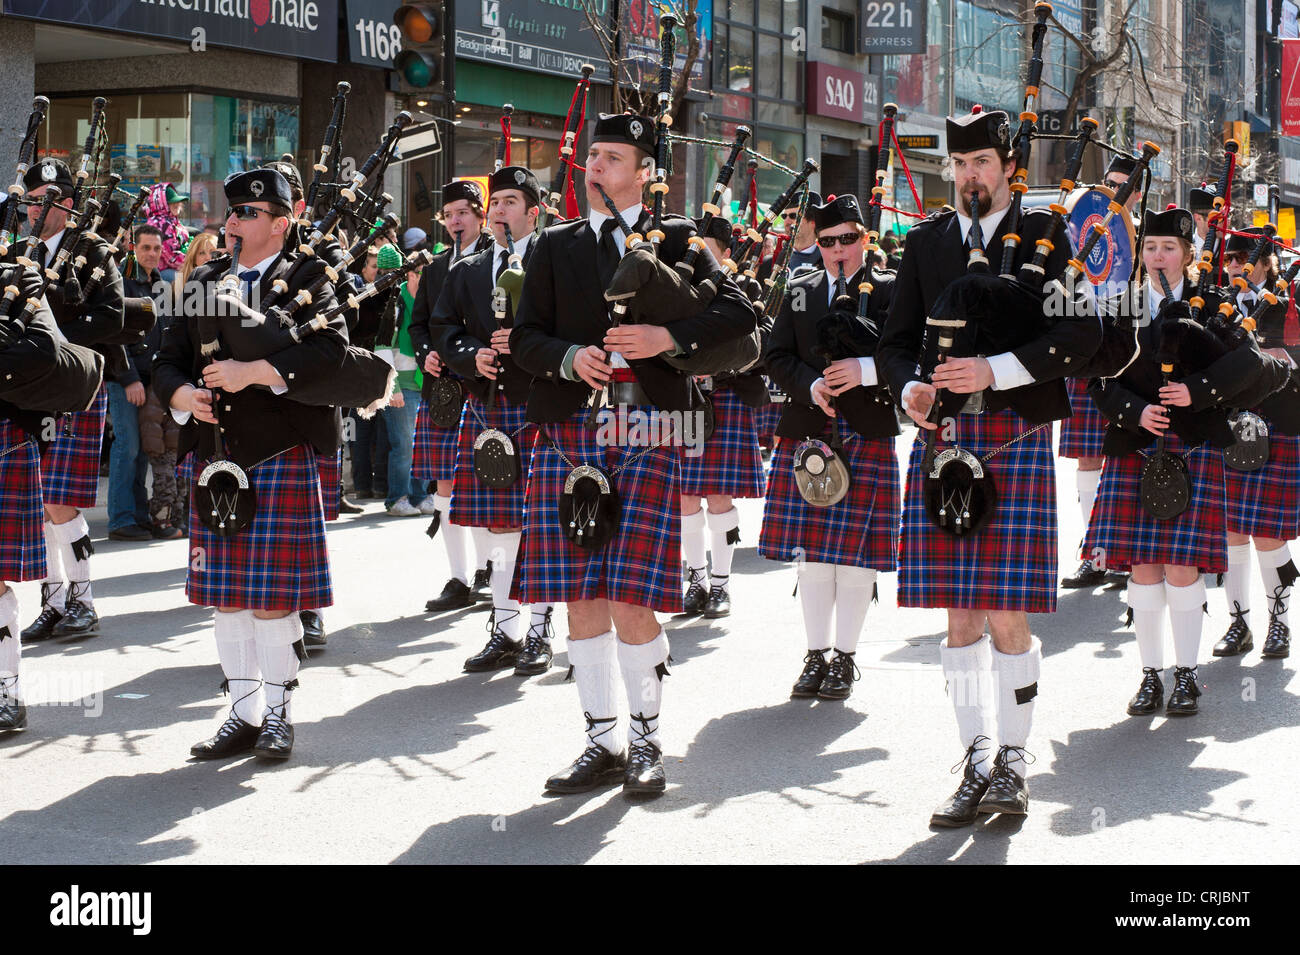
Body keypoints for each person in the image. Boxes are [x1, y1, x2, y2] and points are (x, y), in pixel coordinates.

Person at [511, 113, 757, 795]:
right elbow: (525, 337)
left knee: (628, 593)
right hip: (572, 431)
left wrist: (665, 341)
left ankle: (647, 739)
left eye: (613, 158)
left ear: (646, 171)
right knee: (579, 594)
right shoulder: (555, 246)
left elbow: (742, 323)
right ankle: (602, 741)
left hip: (645, 424)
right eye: (592, 156)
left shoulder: (678, 239)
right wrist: (568, 357)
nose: (595, 168)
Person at [876, 108, 1097, 827]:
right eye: (959, 165)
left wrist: (994, 370)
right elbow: (897, 339)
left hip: (1013, 431)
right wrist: (909, 385)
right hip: (942, 438)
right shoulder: (927, 241)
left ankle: (1013, 762)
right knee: (960, 611)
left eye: (981, 163)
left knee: (1007, 611)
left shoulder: (1047, 235)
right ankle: (973, 762)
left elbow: (1081, 332)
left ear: (1008, 165)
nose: (970, 176)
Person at [153, 168, 343, 760]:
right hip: (216, 457)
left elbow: (330, 350)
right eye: (231, 212)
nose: (232, 222)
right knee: (227, 595)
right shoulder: (204, 280)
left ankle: (280, 715)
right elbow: (167, 359)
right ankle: (241, 712)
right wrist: (183, 396)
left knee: (271, 597)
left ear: (280, 223)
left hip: (278, 452)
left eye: (247, 213)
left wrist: (253, 373)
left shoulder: (308, 277)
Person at [1084, 207, 1248, 717]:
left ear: (1188, 255)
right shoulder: (1121, 308)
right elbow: (1098, 382)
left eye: (1170, 248)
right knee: (1145, 569)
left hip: (1192, 447)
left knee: (1182, 568)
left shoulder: (1213, 305)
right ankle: (1150, 676)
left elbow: (1249, 365)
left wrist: (1194, 391)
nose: (1159, 256)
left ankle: (1187, 676)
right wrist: (1137, 411)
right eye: (1151, 247)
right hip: (1137, 445)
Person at [758, 195, 900, 699]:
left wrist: (866, 370)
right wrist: (810, 386)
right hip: (808, 430)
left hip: (867, 429)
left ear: (865, 239)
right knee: (814, 557)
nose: (837, 249)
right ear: (816, 244)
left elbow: (913, 355)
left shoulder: (891, 290)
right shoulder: (801, 290)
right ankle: (815, 655)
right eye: (827, 242)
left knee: (856, 558)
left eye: (847, 239)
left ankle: (845, 658)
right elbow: (774, 356)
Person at [430, 165, 557, 674]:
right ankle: (505, 628)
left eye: (511, 202)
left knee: (544, 526)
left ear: (535, 210)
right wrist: (470, 357)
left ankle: (541, 631)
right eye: (496, 201)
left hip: (544, 405)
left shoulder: (556, 264)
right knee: (501, 528)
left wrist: (532, 347)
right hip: (489, 407)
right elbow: (444, 326)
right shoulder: (468, 271)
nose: (501, 210)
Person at [13, 159, 124, 644]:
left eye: (42, 201)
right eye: (30, 200)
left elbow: (113, 316)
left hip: (76, 384)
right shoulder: (18, 251)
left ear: (66, 205)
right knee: (38, 502)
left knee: (58, 499)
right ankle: (54, 602)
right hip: (26, 390)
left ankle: (83, 600)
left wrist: (57, 341)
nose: (32, 210)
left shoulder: (93, 251)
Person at [679, 216, 770, 619]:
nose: (698, 252)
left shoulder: (746, 288)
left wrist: (717, 368)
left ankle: (720, 582)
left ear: (727, 253)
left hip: (727, 397)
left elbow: (760, 346)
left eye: (708, 247)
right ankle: (695, 578)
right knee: (683, 496)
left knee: (718, 496)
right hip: (683, 400)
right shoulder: (677, 287)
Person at [410, 181, 495, 612]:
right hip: (444, 391)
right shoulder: (436, 267)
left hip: (482, 387)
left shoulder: (498, 260)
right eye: (449, 215)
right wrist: (427, 354)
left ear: (480, 215)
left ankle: (488, 571)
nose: (455, 221)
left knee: (487, 480)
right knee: (445, 484)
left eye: (463, 212)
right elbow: (419, 324)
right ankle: (459, 577)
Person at [1214, 227, 1297, 660]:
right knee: (1230, 532)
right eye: (1229, 259)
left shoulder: (1286, 306)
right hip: (1228, 426)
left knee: (1268, 533)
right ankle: (1238, 622)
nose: (1233, 267)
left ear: (1265, 263)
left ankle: (1279, 624)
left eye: (1243, 258)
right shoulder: (1215, 303)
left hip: (1278, 424)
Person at [105, 224, 165, 541]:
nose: (152, 254)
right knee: (127, 447)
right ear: (134, 248)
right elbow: (114, 334)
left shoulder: (159, 284)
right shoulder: (121, 280)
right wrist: (128, 378)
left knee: (141, 451)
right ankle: (121, 519)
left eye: (156, 248)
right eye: (146, 248)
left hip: (149, 379)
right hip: (124, 378)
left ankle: (138, 516)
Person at [375, 248, 430, 516]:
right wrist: (392, 386)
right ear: (410, 273)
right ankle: (397, 498)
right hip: (401, 383)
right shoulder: (395, 300)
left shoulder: (429, 300)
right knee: (404, 444)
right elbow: (382, 344)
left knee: (421, 443)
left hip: (424, 382)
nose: (426, 278)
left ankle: (420, 496)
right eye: (421, 273)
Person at [145, 182, 191, 281]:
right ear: (160, 203)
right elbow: (171, 257)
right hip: (160, 272)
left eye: (177, 201)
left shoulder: (172, 221)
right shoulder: (160, 223)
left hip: (173, 268)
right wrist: (192, 263)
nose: (177, 204)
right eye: (171, 202)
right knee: (191, 280)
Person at [781, 191, 822, 274]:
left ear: (813, 221)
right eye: (784, 216)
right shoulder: (772, 261)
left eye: (794, 216)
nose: (787, 221)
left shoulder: (828, 263)